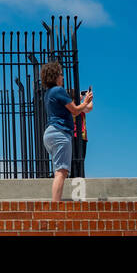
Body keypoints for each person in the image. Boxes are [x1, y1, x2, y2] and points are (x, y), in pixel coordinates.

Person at [40, 61, 92, 203]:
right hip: (60, 133)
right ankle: (56, 207)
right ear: (55, 76)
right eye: (61, 74)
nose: (63, 77)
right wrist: (86, 101)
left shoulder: (48, 94)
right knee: (61, 172)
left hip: (50, 133)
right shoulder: (59, 90)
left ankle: (56, 203)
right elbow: (75, 110)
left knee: (58, 169)